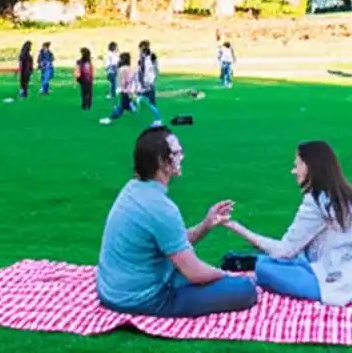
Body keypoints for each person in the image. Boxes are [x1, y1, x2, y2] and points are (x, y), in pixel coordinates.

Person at [96, 126, 257, 317]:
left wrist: (206, 225)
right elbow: (193, 272)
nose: (182, 157)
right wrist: (225, 276)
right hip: (142, 298)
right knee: (244, 289)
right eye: (177, 153)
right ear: (162, 162)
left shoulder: (132, 190)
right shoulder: (160, 207)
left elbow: (172, 242)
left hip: (113, 290)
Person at [221, 141, 352, 306]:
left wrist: (235, 226)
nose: (293, 171)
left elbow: (285, 251)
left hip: (349, 283)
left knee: (265, 269)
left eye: (297, 165)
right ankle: (257, 262)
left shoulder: (317, 201)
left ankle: (254, 263)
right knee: (296, 258)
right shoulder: (347, 194)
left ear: (310, 168)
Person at [100, 52, 137, 125]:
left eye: (120, 58)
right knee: (121, 107)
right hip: (129, 91)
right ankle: (132, 107)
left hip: (125, 91)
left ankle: (109, 119)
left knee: (122, 106)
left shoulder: (122, 69)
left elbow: (122, 81)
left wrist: (119, 90)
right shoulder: (130, 68)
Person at [135, 52, 163, 125]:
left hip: (146, 88)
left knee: (150, 104)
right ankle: (156, 119)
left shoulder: (146, 67)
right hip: (149, 87)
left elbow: (142, 79)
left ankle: (158, 119)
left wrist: (142, 87)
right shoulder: (151, 67)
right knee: (150, 103)